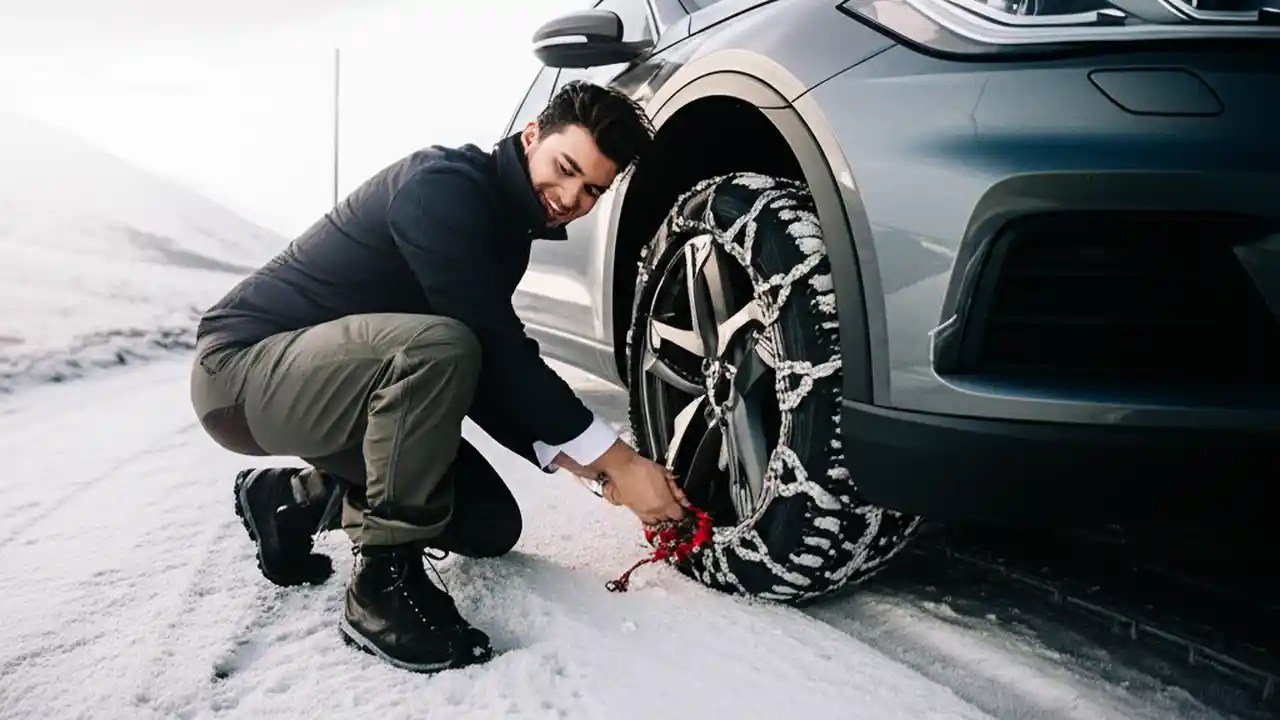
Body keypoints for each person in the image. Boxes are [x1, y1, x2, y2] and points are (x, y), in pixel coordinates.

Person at [188, 80, 688, 674]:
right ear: (532, 134)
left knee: (487, 522)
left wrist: (599, 473)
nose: (571, 197)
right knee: (446, 342)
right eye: (565, 168)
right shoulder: (443, 188)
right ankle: (379, 593)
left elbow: (483, 380)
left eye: (592, 190)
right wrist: (620, 459)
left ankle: (290, 502)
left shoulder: (504, 230)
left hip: (336, 388)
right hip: (241, 372)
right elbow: (488, 346)